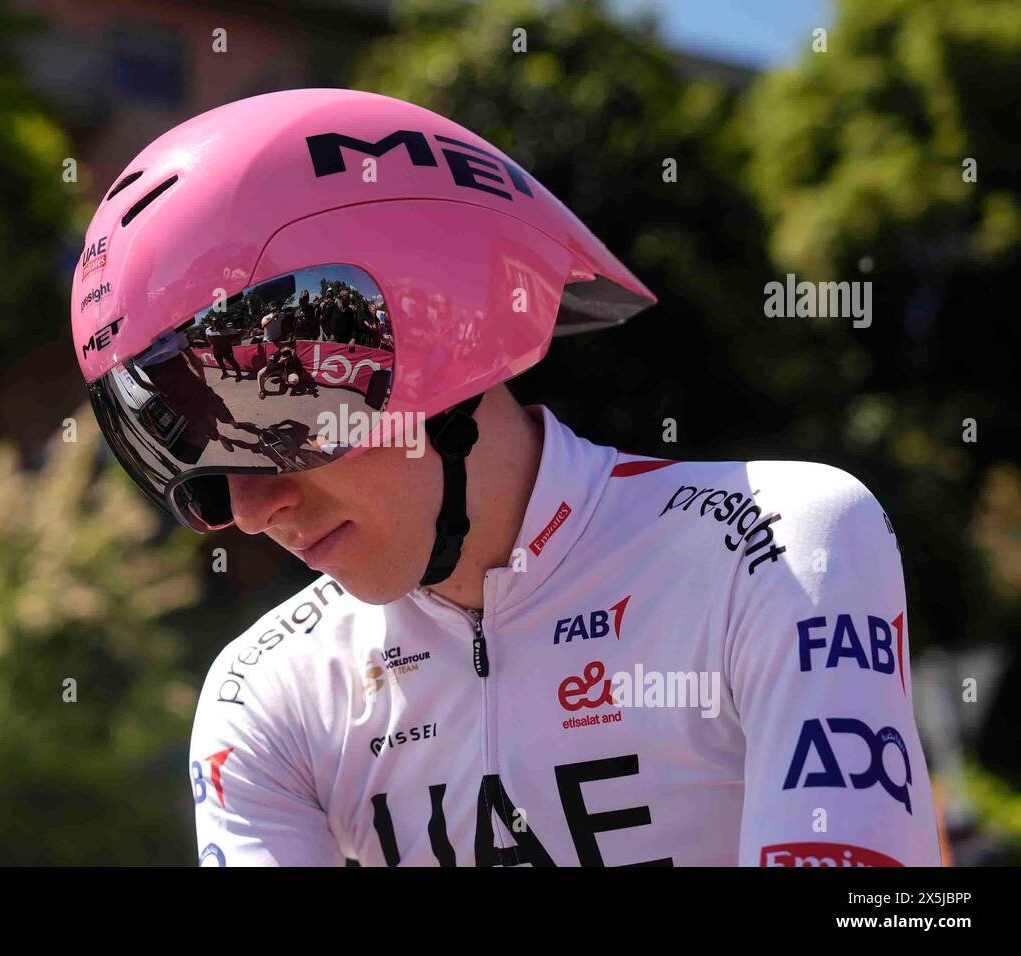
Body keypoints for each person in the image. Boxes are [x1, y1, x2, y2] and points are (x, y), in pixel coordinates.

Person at [71, 88, 940, 867]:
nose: (249, 511)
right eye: (174, 443)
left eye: (269, 416)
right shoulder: (265, 696)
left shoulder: (775, 546)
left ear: (444, 336)